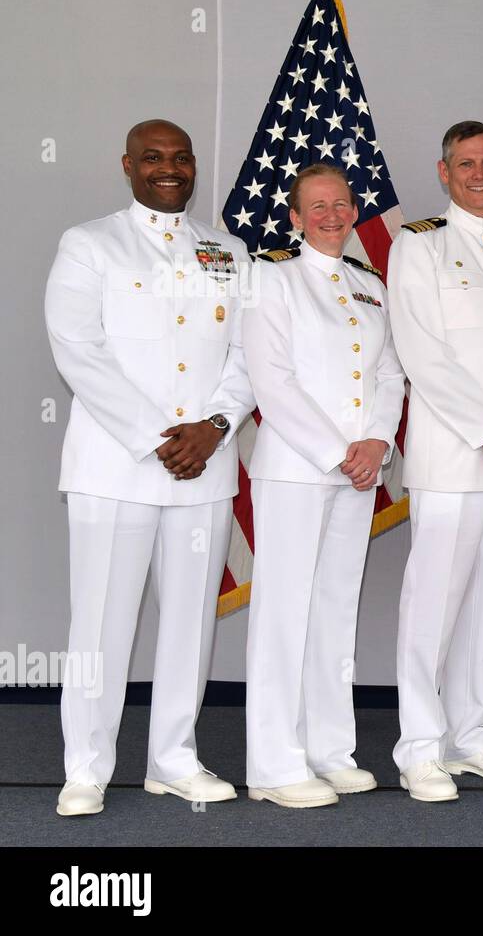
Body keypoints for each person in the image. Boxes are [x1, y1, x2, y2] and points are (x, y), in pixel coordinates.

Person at [45, 119, 255, 816]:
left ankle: (174, 758)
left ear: (195, 166)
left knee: (190, 622)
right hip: (116, 467)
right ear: (128, 165)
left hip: (205, 467)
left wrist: (216, 427)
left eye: (182, 157)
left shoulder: (229, 250)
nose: (170, 168)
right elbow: (78, 348)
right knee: (100, 624)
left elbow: (250, 355)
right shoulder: (91, 243)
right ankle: (86, 768)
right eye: (154, 158)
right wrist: (157, 438)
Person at [385, 121, 483, 802]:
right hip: (455, 455)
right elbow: (421, 352)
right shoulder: (417, 247)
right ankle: (420, 747)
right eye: (465, 163)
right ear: (444, 172)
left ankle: (469, 734)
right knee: (433, 603)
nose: (479, 174)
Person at [241, 164, 405, 808]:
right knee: (284, 613)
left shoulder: (369, 286)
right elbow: (272, 380)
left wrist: (378, 442)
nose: (332, 215)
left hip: (357, 471)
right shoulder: (272, 278)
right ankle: (275, 764)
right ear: (294, 215)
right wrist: (341, 451)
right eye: (317, 206)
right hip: (298, 469)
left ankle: (328, 749)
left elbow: (390, 370)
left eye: (341, 204)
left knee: (336, 609)